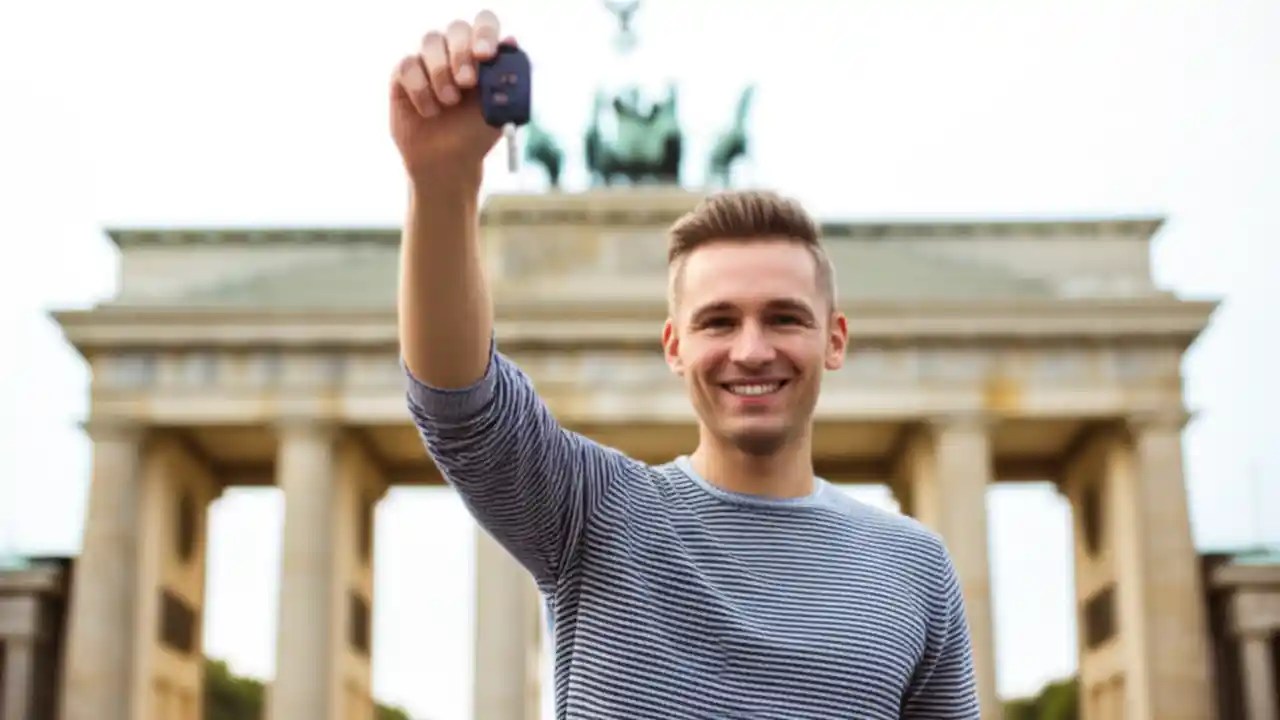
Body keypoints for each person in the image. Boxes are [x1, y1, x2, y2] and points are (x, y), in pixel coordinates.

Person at [389, 10, 981, 719]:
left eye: (784, 317)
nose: (752, 349)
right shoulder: (594, 514)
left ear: (834, 338)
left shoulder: (915, 571)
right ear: (675, 345)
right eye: (719, 321)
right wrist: (443, 184)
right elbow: (460, 409)